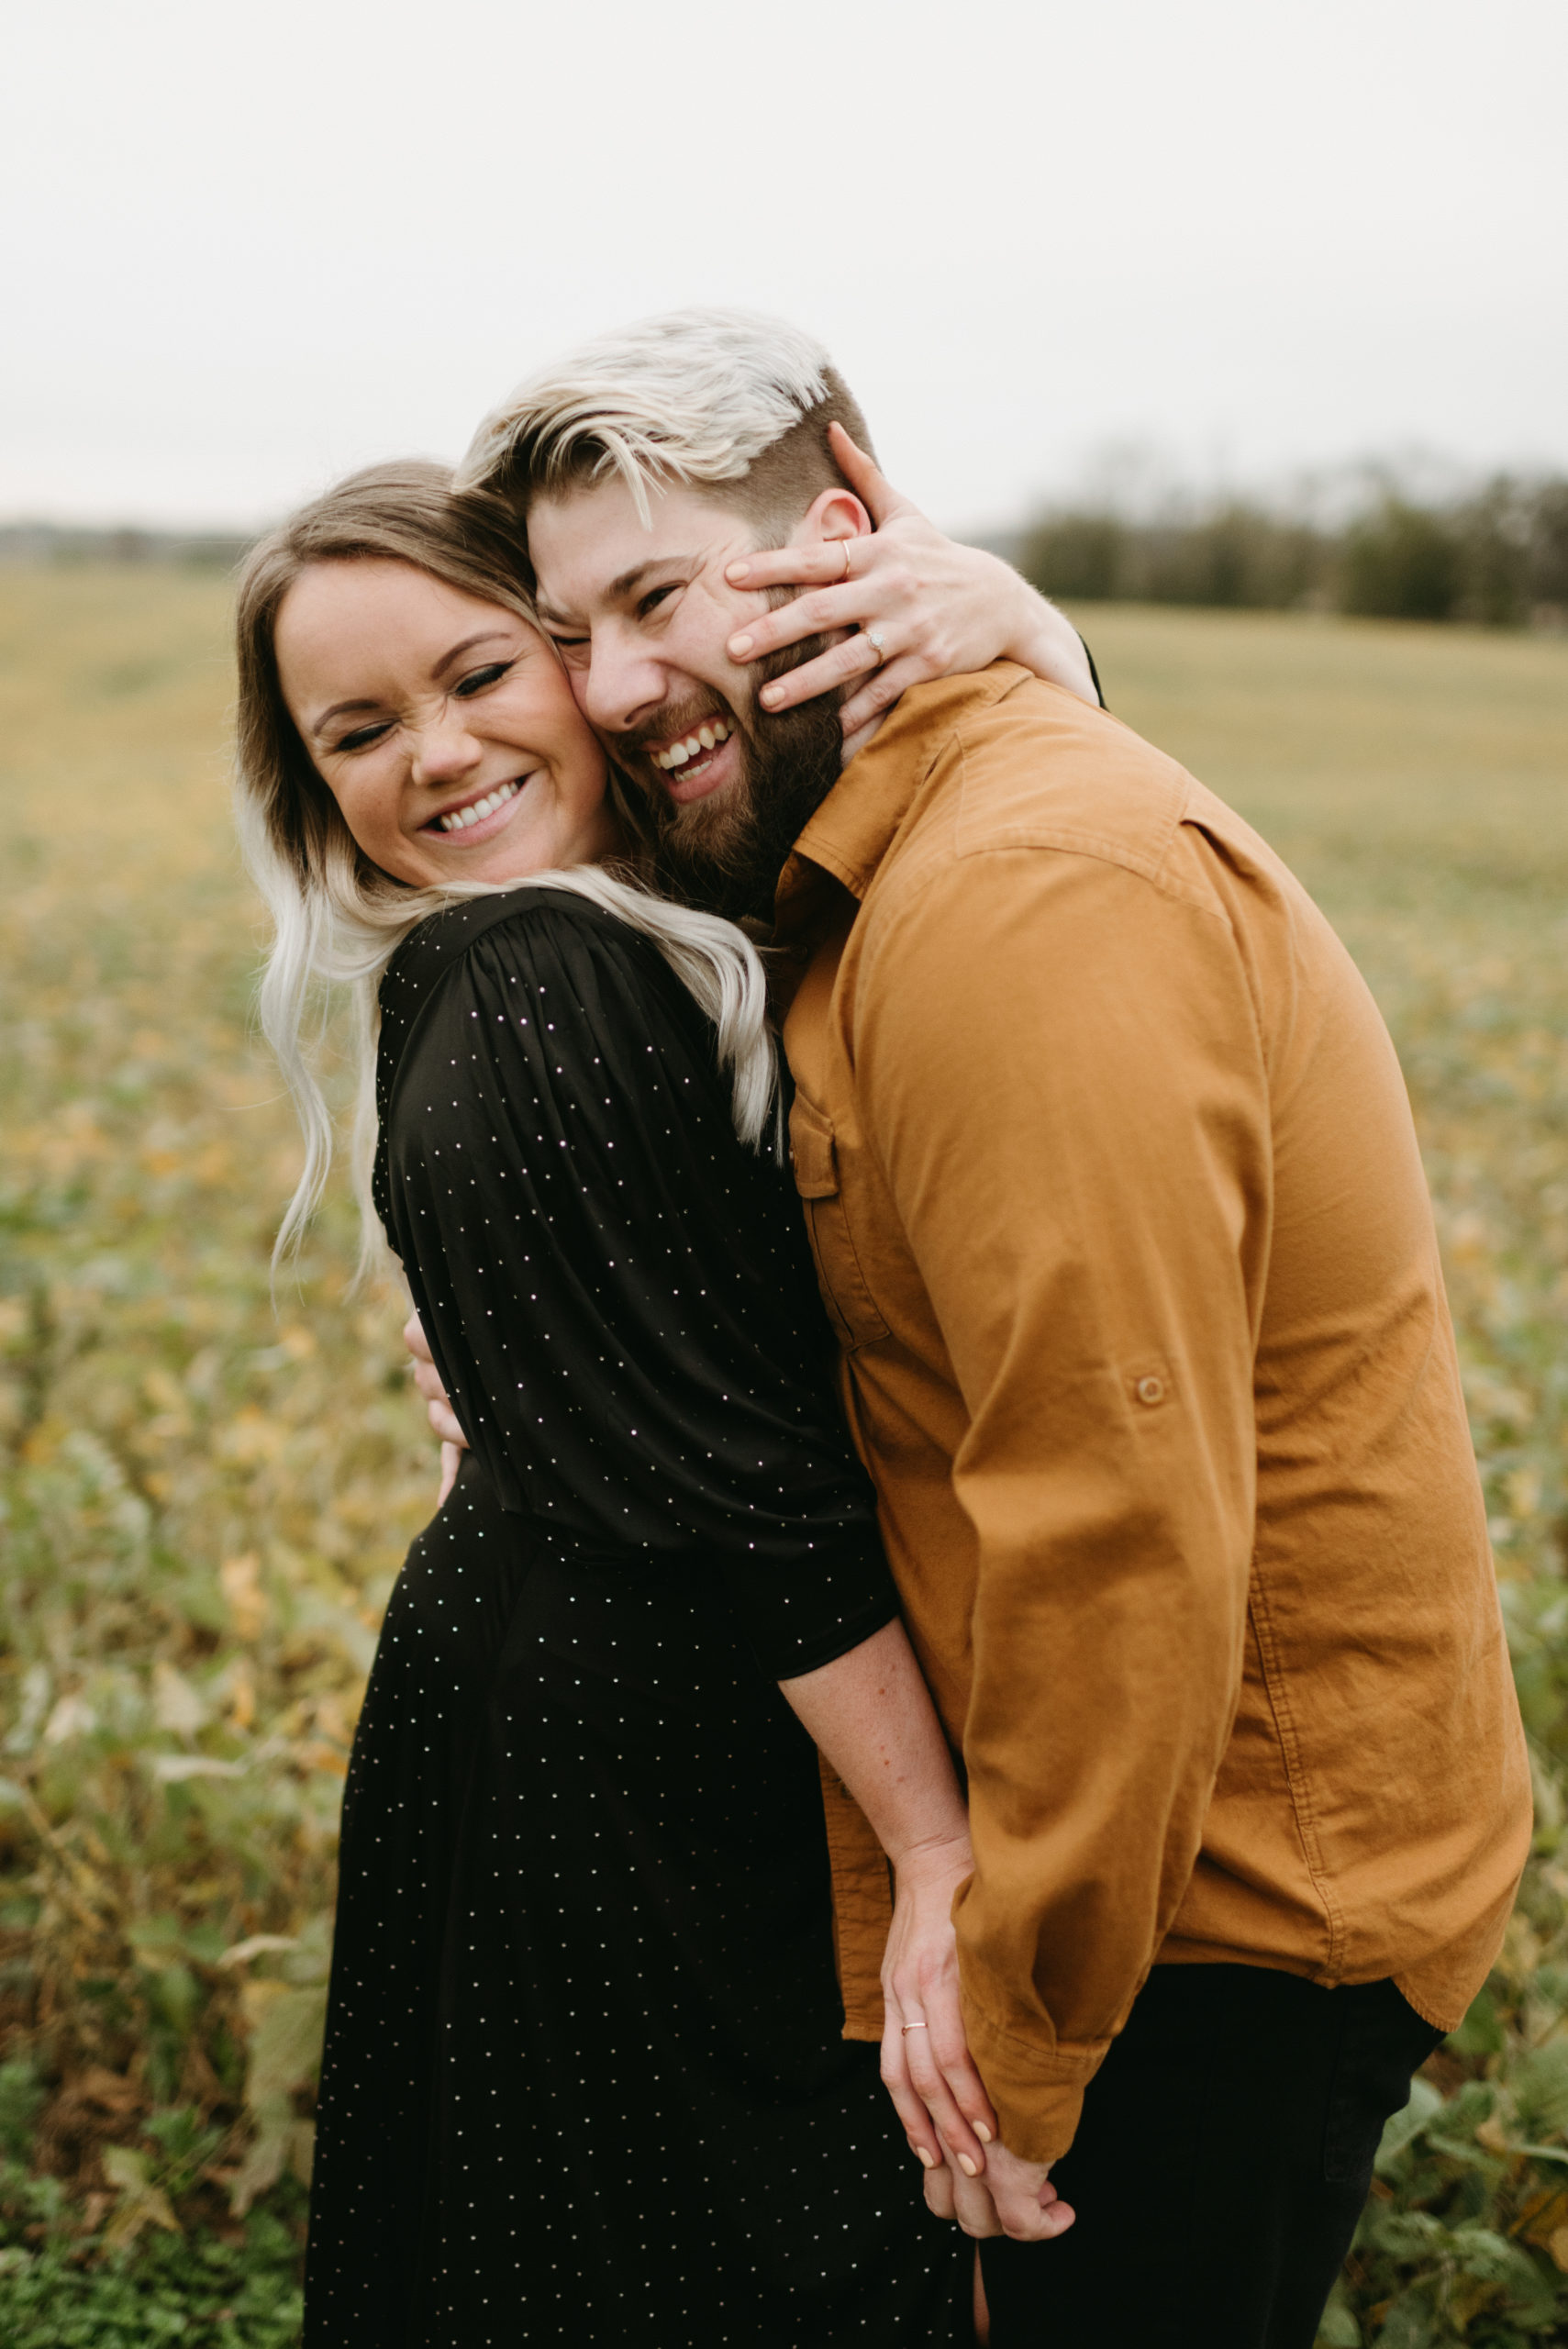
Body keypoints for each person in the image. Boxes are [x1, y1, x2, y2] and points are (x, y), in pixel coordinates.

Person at [452, 306, 1535, 2349]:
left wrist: (1013, 2055)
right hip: (1140, 1883)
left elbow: (1117, 1531)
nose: (609, 684)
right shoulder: (870, 850)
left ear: (850, 538)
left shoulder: (1019, 896)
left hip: (1206, 1928)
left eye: (659, 594)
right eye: (570, 627)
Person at [233, 456, 1099, 2345]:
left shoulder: (622, 940)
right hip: (640, 1744)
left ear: (580, 663)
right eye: (360, 729)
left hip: (551, 1693)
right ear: (319, 791)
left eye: (479, 674)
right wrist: (942, 1853)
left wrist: (1038, 642)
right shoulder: (547, 966)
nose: (436, 753)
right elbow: (750, 1486)